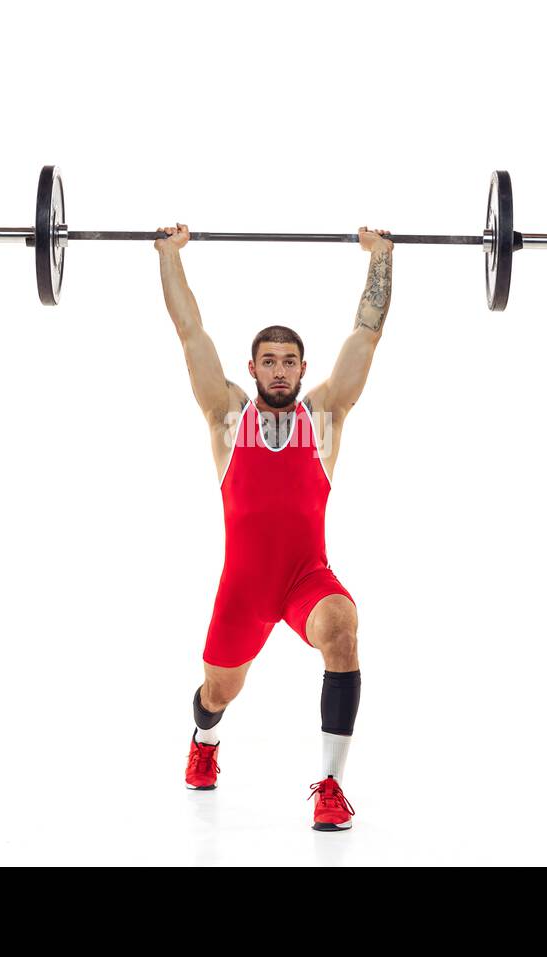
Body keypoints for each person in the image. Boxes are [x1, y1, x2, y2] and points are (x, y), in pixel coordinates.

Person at [155, 220, 392, 830]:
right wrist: (168, 255)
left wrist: (381, 258)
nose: (280, 371)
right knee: (216, 696)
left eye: (290, 361)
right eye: (269, 362)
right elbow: (190, 333)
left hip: (306, 579)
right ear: (253, 368)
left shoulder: (327, 415)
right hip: (245, 590)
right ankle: (204, 740)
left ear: (303, 365)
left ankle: (332, 787)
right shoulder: (227, 418)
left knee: (343, 624)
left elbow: (367, 333)